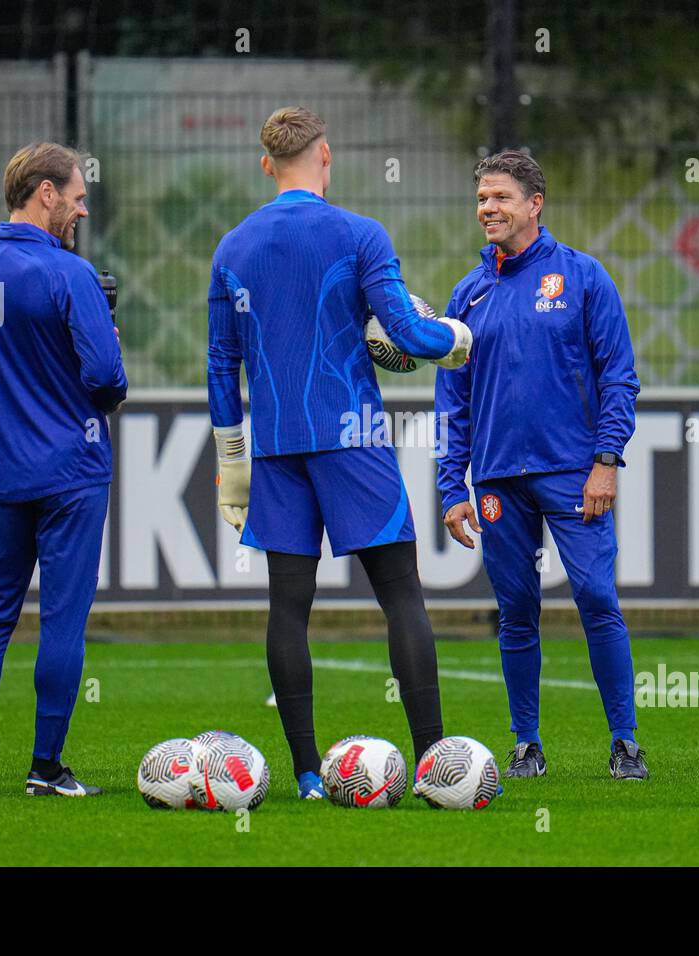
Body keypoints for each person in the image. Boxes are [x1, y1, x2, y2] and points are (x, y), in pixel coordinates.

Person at [207, 107, 472, 799]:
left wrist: (232, 461)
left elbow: (218, 365)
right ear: (325, 154)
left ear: (268, 165)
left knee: (288, 608)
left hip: (275, 449)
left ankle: (303, 772)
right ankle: (433, 766)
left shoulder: (232, 247)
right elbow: (409, 334)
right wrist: (459, 340)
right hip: (351, 438)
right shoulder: (359, 233)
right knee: (401, 594)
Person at [436, 150, 646, 781]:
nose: (487, 209)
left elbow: (620, 379)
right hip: (498, 479)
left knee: (594, 595)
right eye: (480, 199)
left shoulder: (583, 277)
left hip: (573, 472)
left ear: (534, 204)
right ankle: (526, 745)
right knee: (517, 608)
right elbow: (453, 402)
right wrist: (452, 485)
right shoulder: (467, 294)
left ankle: (625, 742)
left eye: (499, 197)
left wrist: (605, 461)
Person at [0, 142, 127, 797]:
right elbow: (107, 379)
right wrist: (106, 328)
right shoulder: (71, 274)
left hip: (1, 473)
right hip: (71, 471)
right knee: (61, 621)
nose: (82, 208)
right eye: (77, 196)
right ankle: (45, 768)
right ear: (45, 192)